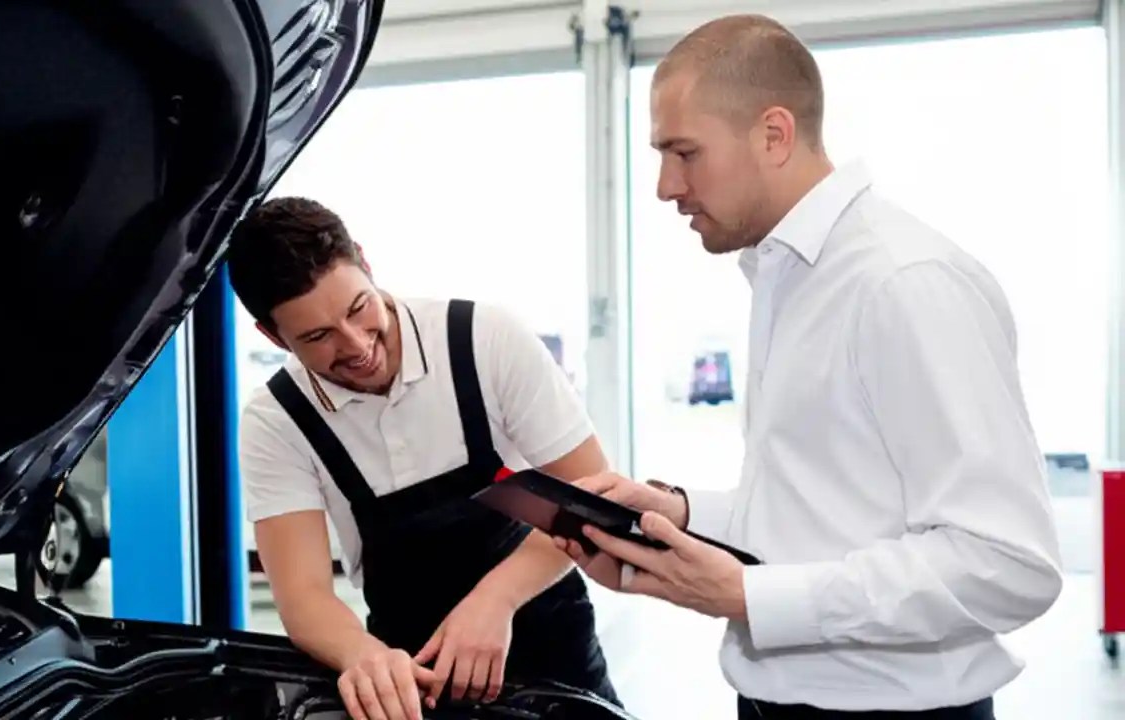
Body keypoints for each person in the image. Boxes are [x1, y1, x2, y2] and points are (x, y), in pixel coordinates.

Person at [553, 13, 1063, 720]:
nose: (666, 186)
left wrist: (752, 596)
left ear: (774, 134)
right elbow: (822, 512)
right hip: (771, 702)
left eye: (685, 153)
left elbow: (1007, 562)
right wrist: (682, 515)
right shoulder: (786, 277)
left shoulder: (903, 282)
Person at [228, 196, 620, 720]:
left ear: (365, 261)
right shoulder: (277, 420)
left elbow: (592, 494)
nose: (356, 345)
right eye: (318, 337)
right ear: (273, 336)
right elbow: (303, 596)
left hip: (554, 648)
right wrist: (362, 657)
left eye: (358, 308)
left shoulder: (483, 340)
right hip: (414, 680)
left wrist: (494, 601)